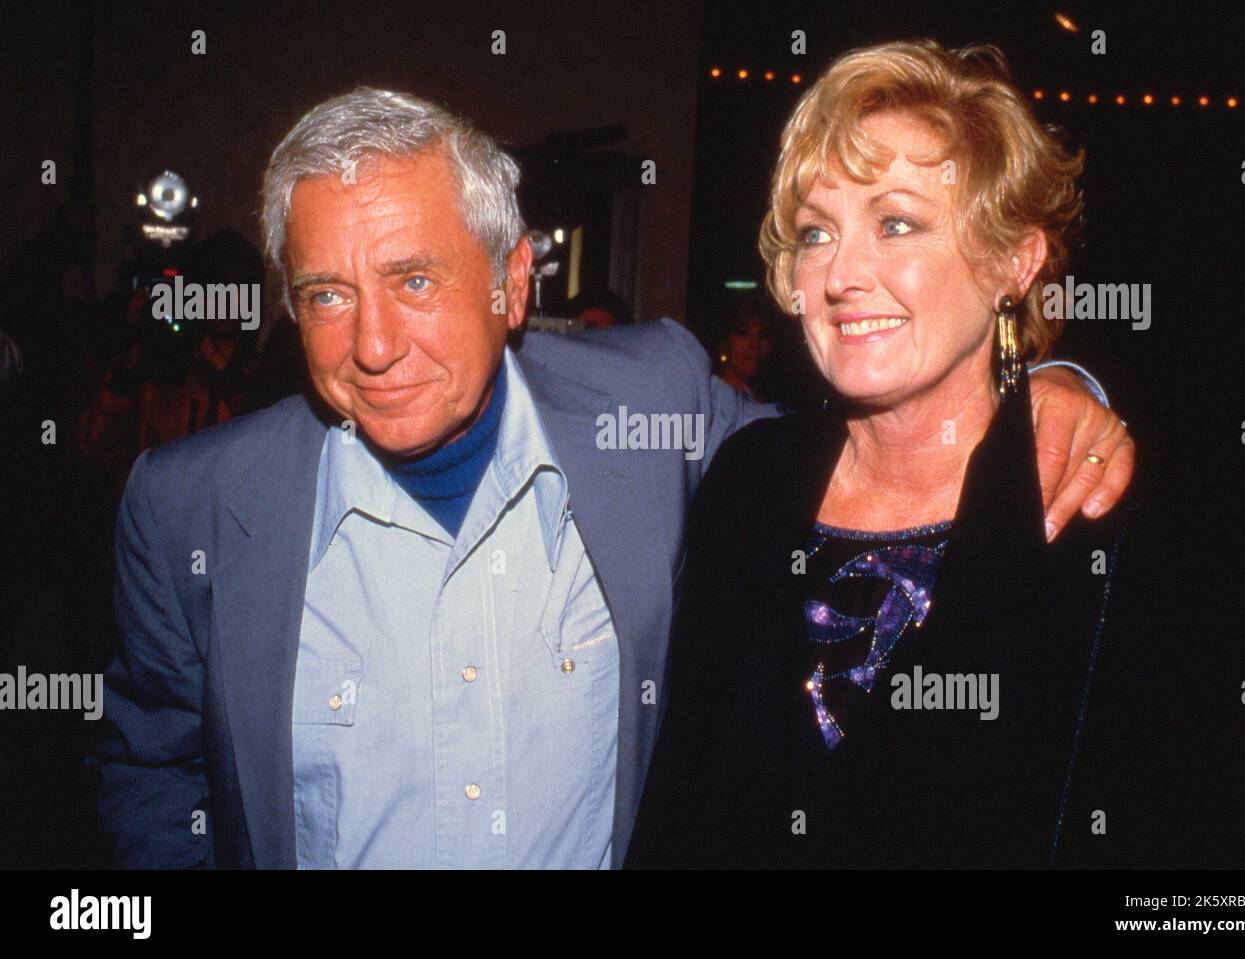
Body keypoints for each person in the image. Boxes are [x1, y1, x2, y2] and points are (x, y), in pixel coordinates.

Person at [87, 86, 1130, 869]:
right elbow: (153, 769)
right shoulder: (191, 504)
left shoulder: (659, 407)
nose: (372, 342)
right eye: (324, 293)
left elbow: (886, 435)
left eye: (413, 278)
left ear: (510, 281)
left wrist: (1047, 378)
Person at [628, 41, 1158, 868]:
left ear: (1010, 263)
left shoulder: (1094, 520)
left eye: (897, 222)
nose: (842, 274)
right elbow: (681, 805)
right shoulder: (746, 483)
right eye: (816, 232)